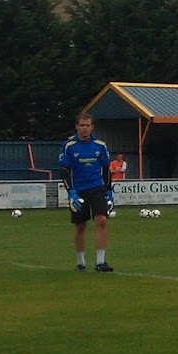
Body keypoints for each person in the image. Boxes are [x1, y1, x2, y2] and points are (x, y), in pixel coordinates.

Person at [59, 113, 116, 271]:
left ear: (92, 127)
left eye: (88, 125)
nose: (85, 128)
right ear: (77, 126)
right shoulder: (69, 146)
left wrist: (109, 191)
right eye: (82, 125)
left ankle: (100, 262)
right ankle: (81, 262)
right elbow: (64, 170)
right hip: (79, 190)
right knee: (80, 226)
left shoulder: (100, 145)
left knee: (102, 220)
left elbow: (106, 170)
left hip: (97, 188)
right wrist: (71, 192)